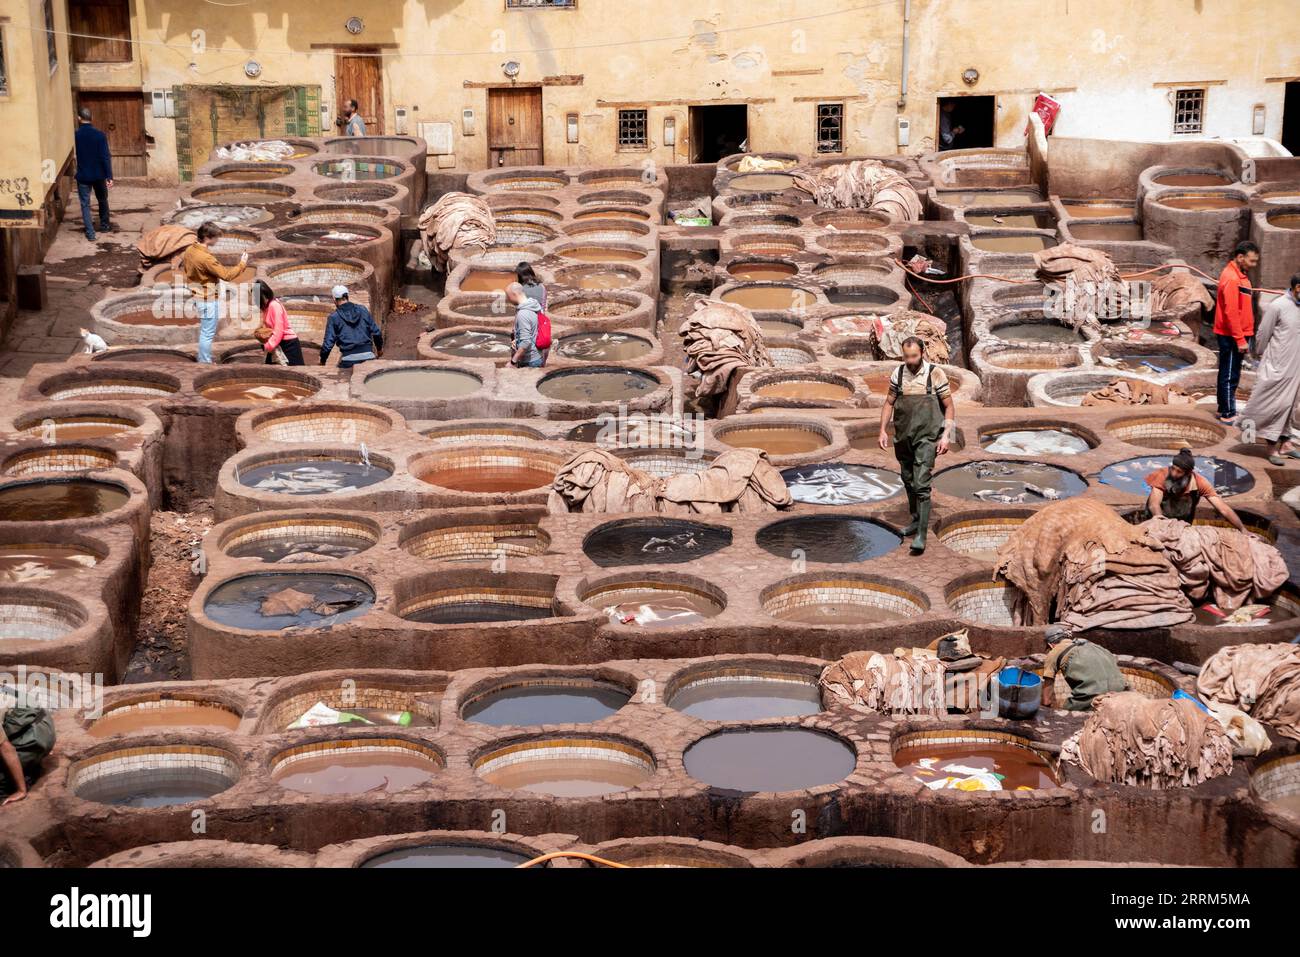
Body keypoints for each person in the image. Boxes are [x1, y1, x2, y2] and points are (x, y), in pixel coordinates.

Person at [878, 336, 955, 554]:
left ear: (922, 353)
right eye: (906, 356)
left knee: (921, 483)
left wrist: (947, 435)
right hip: (904, 436)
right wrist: (882, 429)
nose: (910, 361)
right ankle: (914, 519)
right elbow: (888, 403)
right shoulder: (898, 373)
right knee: (908, 479)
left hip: (927, 437)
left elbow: (949, 407)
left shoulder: (935, 374)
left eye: (914, 356)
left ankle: (921, 534)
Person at [1241, 275, 1300, 465]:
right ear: (1298, 287)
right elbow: (1263, 333)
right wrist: (1259, 354)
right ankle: (1271, 446)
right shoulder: (1278, 306)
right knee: (1274, 404)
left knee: (1290, 405)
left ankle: (1286, 443)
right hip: (1277, 364)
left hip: (1296, 365)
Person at [180, 222, 249, 364]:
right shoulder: (206, 258)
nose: (217, 240)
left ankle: (204, 357)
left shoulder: (189, 251)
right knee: (208, 333)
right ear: (207, 237)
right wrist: (242, 263)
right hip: (208, 299)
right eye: (216, 237)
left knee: (206, 331)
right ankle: (204, 361)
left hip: (197, 295)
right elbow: (227, 275)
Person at [1144, 447, 1248, 532]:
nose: (1174, 474)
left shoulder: (1200, 483)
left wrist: (1242, 529)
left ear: (1188, 473)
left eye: (1179, 471)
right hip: (1158, 521)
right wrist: (1161, 521)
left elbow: (1223, 509)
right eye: (1173, 468)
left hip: (1183, 525)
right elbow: (1154, 504)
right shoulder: (1162, 475)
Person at [1214, 241, 1260, 422]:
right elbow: (1231, 312)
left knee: (1231, 372)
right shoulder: (1231, 278)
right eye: (1252, 261)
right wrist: (1240, 339)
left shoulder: (1240, 275)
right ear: (1240, 257)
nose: (1254, 265)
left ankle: (1224, 408)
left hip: (1238, 333)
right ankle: (1227, 413)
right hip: (1231, 335)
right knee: (1229, 374)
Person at [1040, 625, 1127, 712]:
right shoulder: (1092, 645)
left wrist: (1045, 704)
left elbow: (1048, 681)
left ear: (1050, 645)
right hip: (1121, 690)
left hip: (1093, 696)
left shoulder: (1054, 652)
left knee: (1067, 714)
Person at [1, 694, 55, 805]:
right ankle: (33, 757)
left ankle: (27, 777)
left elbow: (7, 749)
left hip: (36, 737)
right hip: (44, 726)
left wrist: (21, 790)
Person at [74, 107, 114, 241]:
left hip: (83, 175)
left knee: (85, 204)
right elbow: (105, 157)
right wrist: (109, 176)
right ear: (92, 118)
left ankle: (90, 233)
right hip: (99, 175)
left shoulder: (76, 136)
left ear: (79, 118)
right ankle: (105, 225)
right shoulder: (100, 135)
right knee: (102, 199)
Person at [320, 285, 382, 369]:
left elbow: (328, 344)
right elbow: (376, 332)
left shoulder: (334, 317)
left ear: (334, 300)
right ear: (347, 296)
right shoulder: (362, 309)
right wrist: (379, 350)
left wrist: (322, 361)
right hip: (369, 357)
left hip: (348, 361)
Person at [255, 281, 303, 366]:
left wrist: (268, 346)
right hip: (278, 343)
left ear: (263, 296)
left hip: (288, 345)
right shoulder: (267, 307)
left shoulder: (274, 306)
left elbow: (278, 331)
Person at [515, 262, 549, 365]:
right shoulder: (542, 287)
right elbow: (543, 305)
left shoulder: (521, 289)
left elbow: (519, 309)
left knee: (526, 342)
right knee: (540, 343)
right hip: (541, 318)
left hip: (527, 318)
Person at [507, 282, 544, 368]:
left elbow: (526, 342)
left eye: (508, 296)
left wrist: (513, 362)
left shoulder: (523, 313)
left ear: (514, 294)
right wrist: (517, 340)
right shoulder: (535, 306)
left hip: (529, 361)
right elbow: (533, 331)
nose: (508, 299)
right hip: (537, 355)